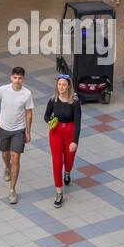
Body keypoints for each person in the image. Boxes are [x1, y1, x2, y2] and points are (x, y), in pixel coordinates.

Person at [0, 67, 34, 206]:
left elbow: (29, 112)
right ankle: (6, 167)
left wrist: (28, 131)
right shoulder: (3, 90)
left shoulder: (27, 94)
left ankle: (12, 189)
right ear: (11, 78)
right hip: (3, 127)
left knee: (16, 157)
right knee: (5, 154)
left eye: (20, 78)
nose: (17, 80)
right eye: (15, 77)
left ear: (23, 79)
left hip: (19, 130)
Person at [45, 74, 82, 208]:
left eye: (64, 85)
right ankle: (59, 191)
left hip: (70, 132)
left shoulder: (75, 102)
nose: (61, 87)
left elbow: (78, 123)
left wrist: (75, 141)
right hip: (56, 132)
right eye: (59, 84)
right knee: (57, 161)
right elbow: (46, 115)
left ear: (68, 87)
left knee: (69, 159)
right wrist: (50, 122)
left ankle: (67, 172)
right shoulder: (53, 100)